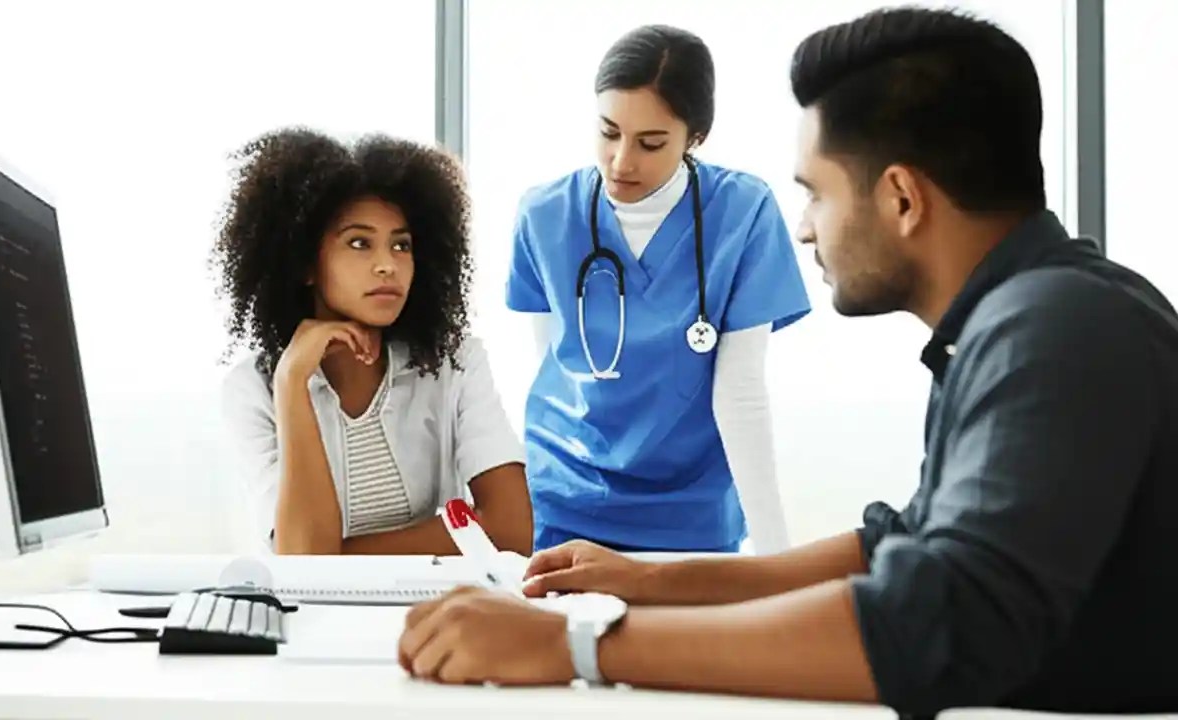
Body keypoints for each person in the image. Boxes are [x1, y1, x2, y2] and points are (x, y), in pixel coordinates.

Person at [396, 7, 1178, 716]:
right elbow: (897, 547)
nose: (804, 229)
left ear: (902, 199)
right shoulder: (1019, 324)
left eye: (816, 194)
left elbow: (936, 619)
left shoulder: (1055, 332)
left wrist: (573, 650)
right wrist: (645, 581)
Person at [505, 24, 811, 555]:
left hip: (690, 508)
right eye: (608, 132)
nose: (623, 161)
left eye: (651, 143)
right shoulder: (545, 214)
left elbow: (739, 392)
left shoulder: (743, 212)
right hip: (564, 500)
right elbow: (553, 365)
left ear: (696, 137)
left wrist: (777, 557)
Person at [213, 128, 532, 556]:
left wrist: (338, 557)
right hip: (310, 620)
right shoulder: (253, 389)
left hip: (437, 611)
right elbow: (305, 567)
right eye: (359, 243)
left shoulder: (455, 364)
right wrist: (292, 381)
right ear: (306, 262)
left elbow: (513, 530)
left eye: (401, 245)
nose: (387, 265)